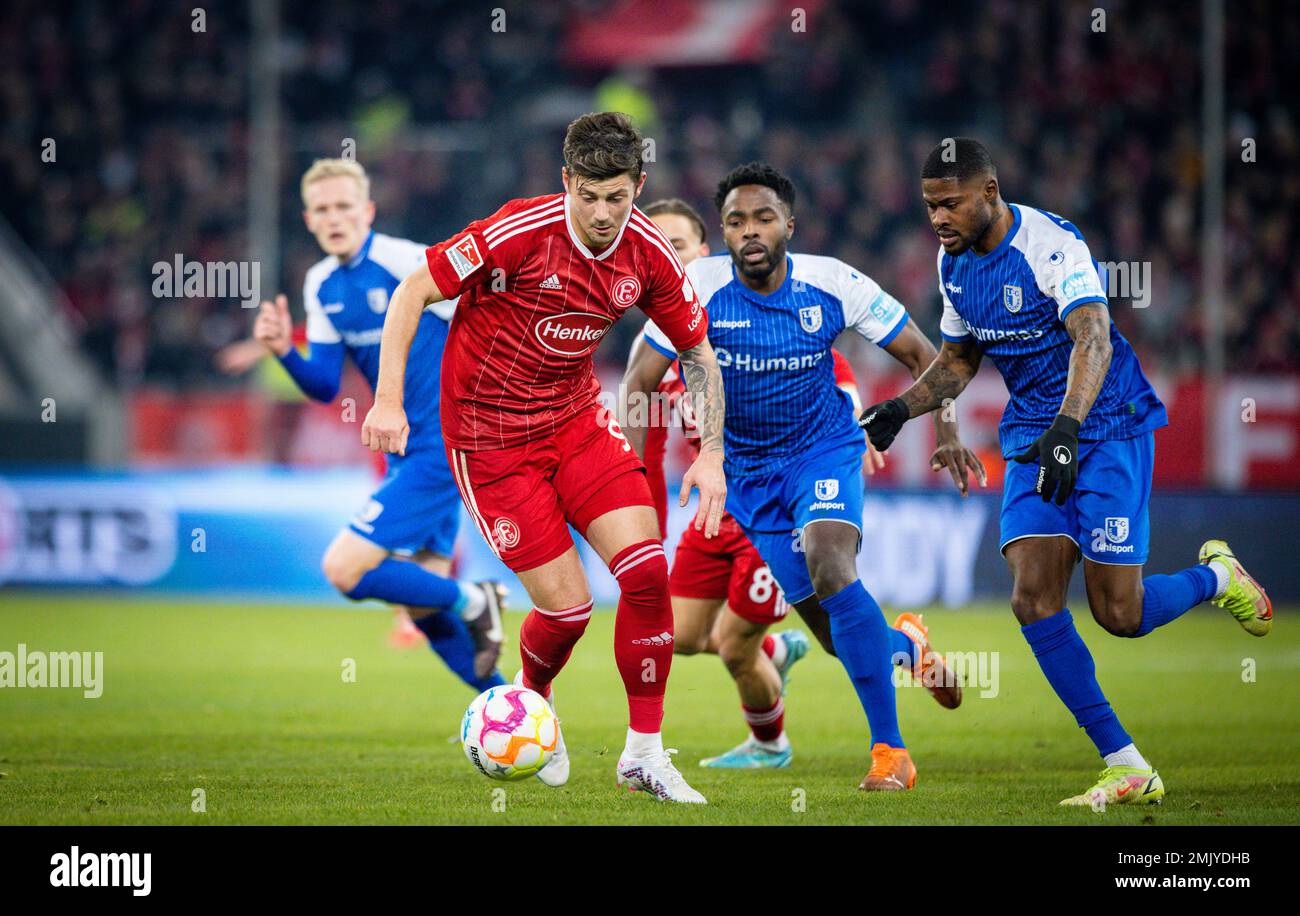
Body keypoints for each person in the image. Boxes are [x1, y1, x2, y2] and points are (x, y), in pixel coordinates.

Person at [861, 138, 1273, 808]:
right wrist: (901, 410)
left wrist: (1069, 429)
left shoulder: (1052, 245)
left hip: (1106, 425)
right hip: (1032, 433)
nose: (937, 217)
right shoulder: (954, 264)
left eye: (950, 203)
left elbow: (1095, 337)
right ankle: (1126, 763)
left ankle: (1217, 577)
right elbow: (961, 361)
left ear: (989, 192)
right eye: (929, 204)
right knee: (1031, 596)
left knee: (1120, 613)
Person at [362, 113, 728, 804]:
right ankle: (533, 706)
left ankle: (644, 754)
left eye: (616, 196)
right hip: (489, 442)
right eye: (587, 194)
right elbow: (415, 289)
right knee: (567, 614)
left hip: (575, 420)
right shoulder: (518, 232)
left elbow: (698, 353)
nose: (600, 212)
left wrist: (710, 454)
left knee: (648, 570)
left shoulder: (649, 253)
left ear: (638, 187)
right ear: (566, 182)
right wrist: (386, 401)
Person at [637, 163, 979, 790]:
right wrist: (635, 477)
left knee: (830, 564)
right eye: (737, 221)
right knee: (831, 635)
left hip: (823, 454)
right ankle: (905, 649)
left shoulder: (834, 282)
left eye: (764, 218)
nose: (751, 232)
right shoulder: (693, 289)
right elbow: (637, 380)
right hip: (748, 481)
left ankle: (890, 752)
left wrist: (948, 433)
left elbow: (929, 358)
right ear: (724, 230)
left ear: (788, 224)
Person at [254, 158, 506, 692]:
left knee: (345, 569)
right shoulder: (320, 283)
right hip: (404, 449)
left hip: (444, 443)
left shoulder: (403, 261)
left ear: (367, 210)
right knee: (421, 603)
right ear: (308, 219)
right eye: (322, 209)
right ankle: (514, 708)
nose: (334, 217)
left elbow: (483, 311)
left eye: (344, 205)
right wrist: (283, 352)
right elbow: (324, 384)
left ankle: (476, 597)